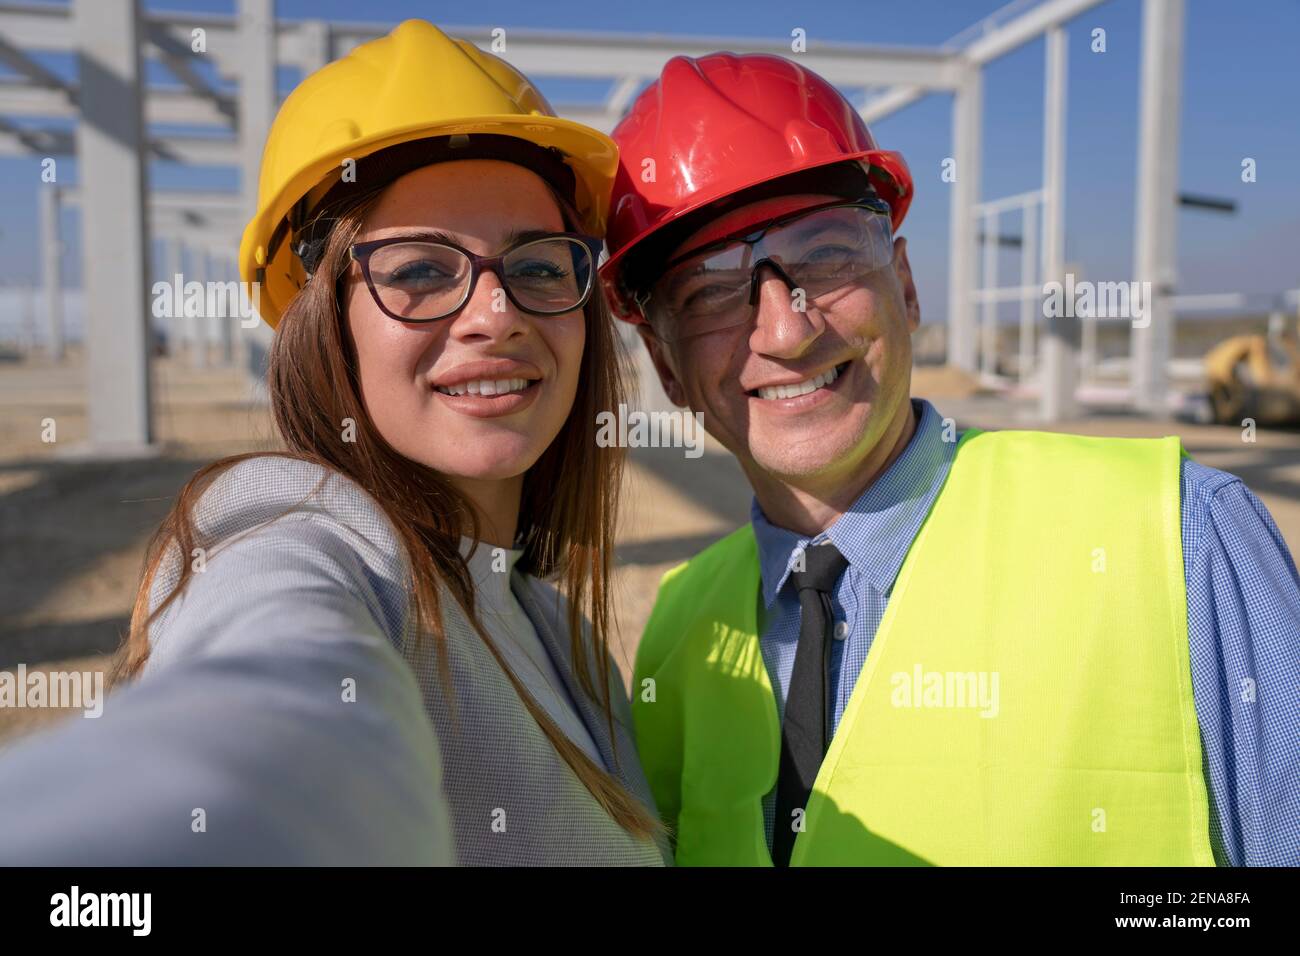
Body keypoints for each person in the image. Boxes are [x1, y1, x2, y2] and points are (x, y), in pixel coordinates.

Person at [600, 52, 1300, 866]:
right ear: (665, 364)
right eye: (710, 288)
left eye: (824, 253)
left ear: (903, 283)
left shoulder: (1180, 540)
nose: (787, 331)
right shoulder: (681, 633)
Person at [0, 20, 666, 867]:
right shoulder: (309, 546)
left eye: (537, 266)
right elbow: (269, 713)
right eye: (419, 270)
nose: (496, 315)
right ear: (324, 324)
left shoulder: (552, 622)